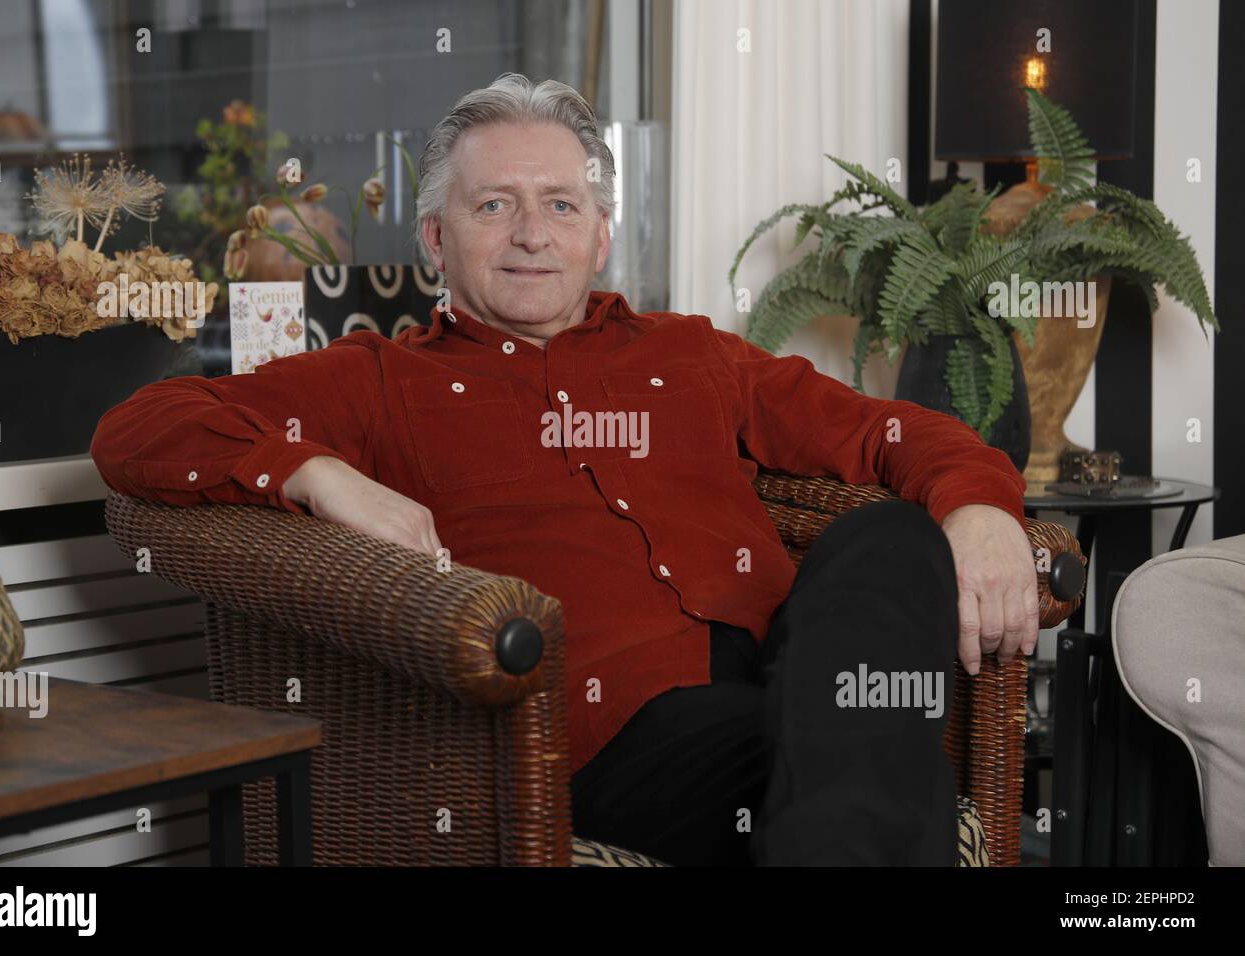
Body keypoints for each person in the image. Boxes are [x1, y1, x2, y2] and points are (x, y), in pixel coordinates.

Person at [90, 73, 1039, 866]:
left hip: (789, 675)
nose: (532, 235)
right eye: (494, 206)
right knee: (863, 749)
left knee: (890, 536)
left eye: (560, 205)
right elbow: (142, 428)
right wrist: (314, 473)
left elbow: (890, 434)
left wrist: (983, 509)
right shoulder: (381, 379)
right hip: (612, 735)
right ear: (435, 240)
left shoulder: (695, 355)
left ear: (601, 233)